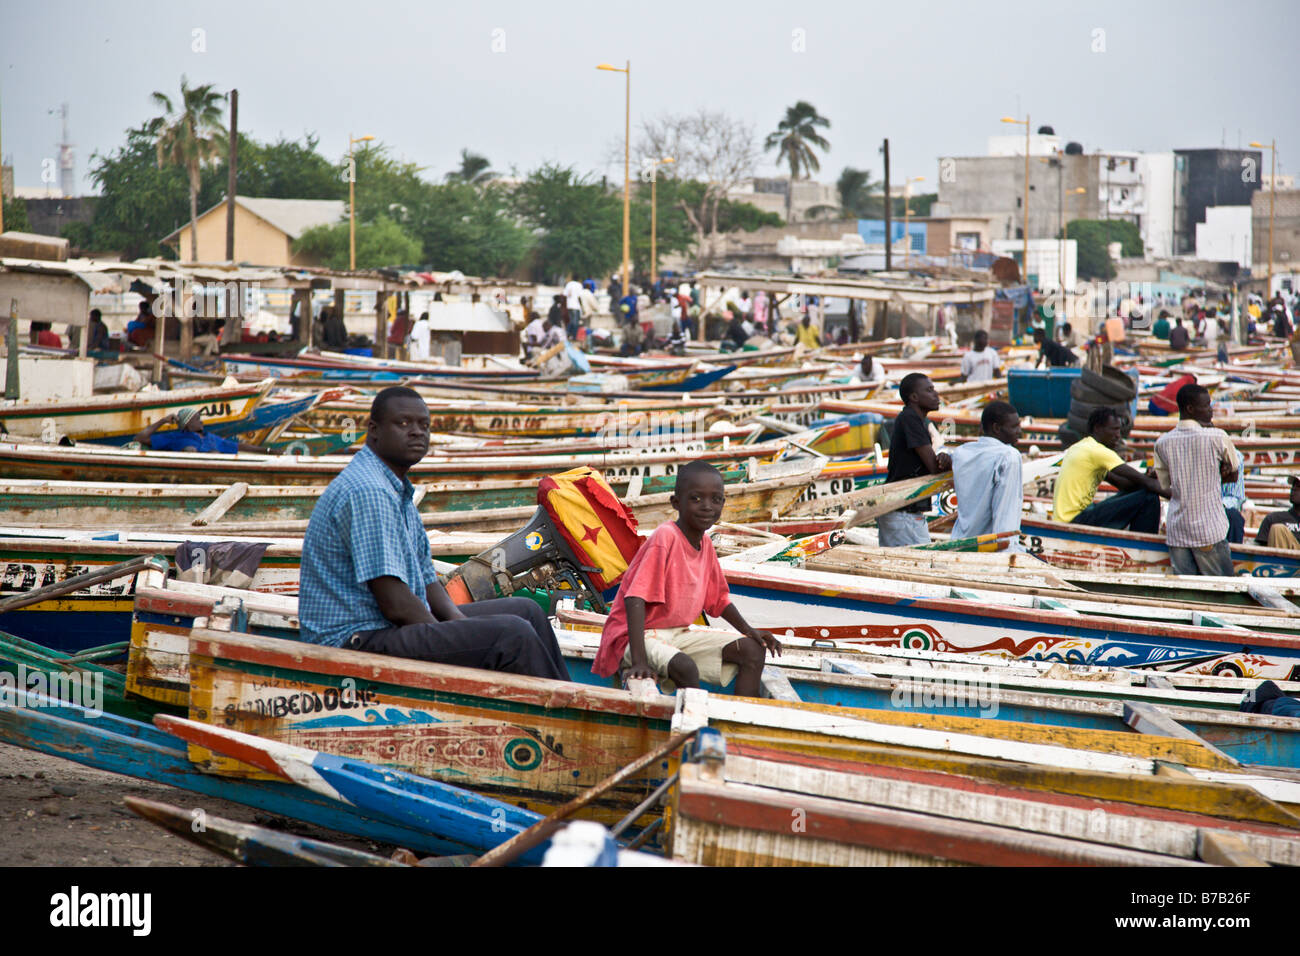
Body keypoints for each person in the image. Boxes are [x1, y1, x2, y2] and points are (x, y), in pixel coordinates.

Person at [298, 386, 568, 679]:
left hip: (384, 626)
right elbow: (396, 604)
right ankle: (557, 719)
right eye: (403, 423)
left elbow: (427, 580)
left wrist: (461, 629)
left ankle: (574, 702)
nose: (417, 432)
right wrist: (450, 642)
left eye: (424, 425)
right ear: (373, 430)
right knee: (512, 634)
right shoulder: (369, 490)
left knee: (525, 611)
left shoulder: (394, 487)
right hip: (353, 639)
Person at [592, 461, 780, 696]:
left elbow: (718, 601)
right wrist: (639, 661)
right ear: (676, 503)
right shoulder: (666, 537)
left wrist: (750, 630)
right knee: (685, 668)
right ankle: (693, 727)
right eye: (696, 499)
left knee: (752, 651)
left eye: (716, 499)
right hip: (634, 637)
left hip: (678, 633)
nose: (707, 507)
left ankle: (738, 722)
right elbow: (635, 599)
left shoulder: (706, 545)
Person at [1153, 384, 1240, 576]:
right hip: (1208, 529)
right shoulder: (1217, 437)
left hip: (1178, 532)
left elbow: (1166, 487)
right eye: (1207, 405)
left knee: (1188, 593)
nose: (1211, 409)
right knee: (1222, 589)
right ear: (1190, 409)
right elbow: (1234, 473)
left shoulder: (1162, 442)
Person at [1053, 407, 1165, 534]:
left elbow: (1125, 485)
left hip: (1069, 519)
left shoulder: (1082, 447)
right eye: (1115, 429)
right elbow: (1148, 484)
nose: (1119, 435)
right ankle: (1145, 547)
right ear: (1097, 428)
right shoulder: (1097, 451)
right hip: (1074, 522)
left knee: (1144, 490)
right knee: (1148, 497)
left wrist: (1147, 476)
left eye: (1120, 430)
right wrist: (1182, 499)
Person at [877, 373, 952, 547]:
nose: (936, 394)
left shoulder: (915, 420)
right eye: (929, 390)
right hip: (903, 511)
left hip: (902, 510)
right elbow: (934, 467)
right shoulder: (910, 418)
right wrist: (946, 460)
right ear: (914, 397)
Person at [949, 401, 1024, 548]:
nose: (1019, 431)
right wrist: (1006, 550)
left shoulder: (961, 452)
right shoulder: (1009, 456)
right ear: (997, 428)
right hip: (989, 548)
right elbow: (1005, 512)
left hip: (959, 542)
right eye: (1014, 426)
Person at [133, 407, 278, 454]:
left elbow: (241, 446)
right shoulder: (175, 437)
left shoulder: (211, 438)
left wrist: (269, 451)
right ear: (187, 425)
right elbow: (139, 438)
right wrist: (163, 421)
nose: (201, 421)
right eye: (197, 419)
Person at [1255, 477, 1300, 550]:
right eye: (1293, 486)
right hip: (1281, 558)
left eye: (1299, 487)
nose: (1293, 489)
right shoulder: (1274, 518)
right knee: (1278, 529)